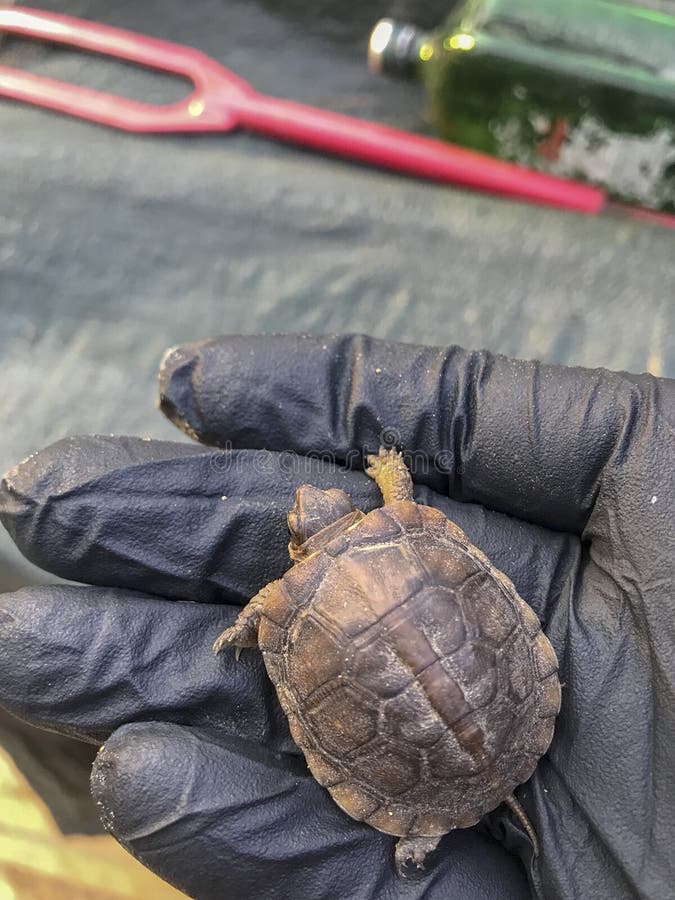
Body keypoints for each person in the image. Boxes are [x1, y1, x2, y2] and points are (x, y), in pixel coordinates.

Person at [0, 333, 672, 900]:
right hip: (501, 703)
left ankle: (422, 831)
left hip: (433, 734)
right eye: (309, 508)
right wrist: (386, 470)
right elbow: (399, 486)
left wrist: (238, 630)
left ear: (294, 542)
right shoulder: (395, 524)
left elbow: (260, 614)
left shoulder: (283, 604)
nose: (309, 500)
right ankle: (428, 823)